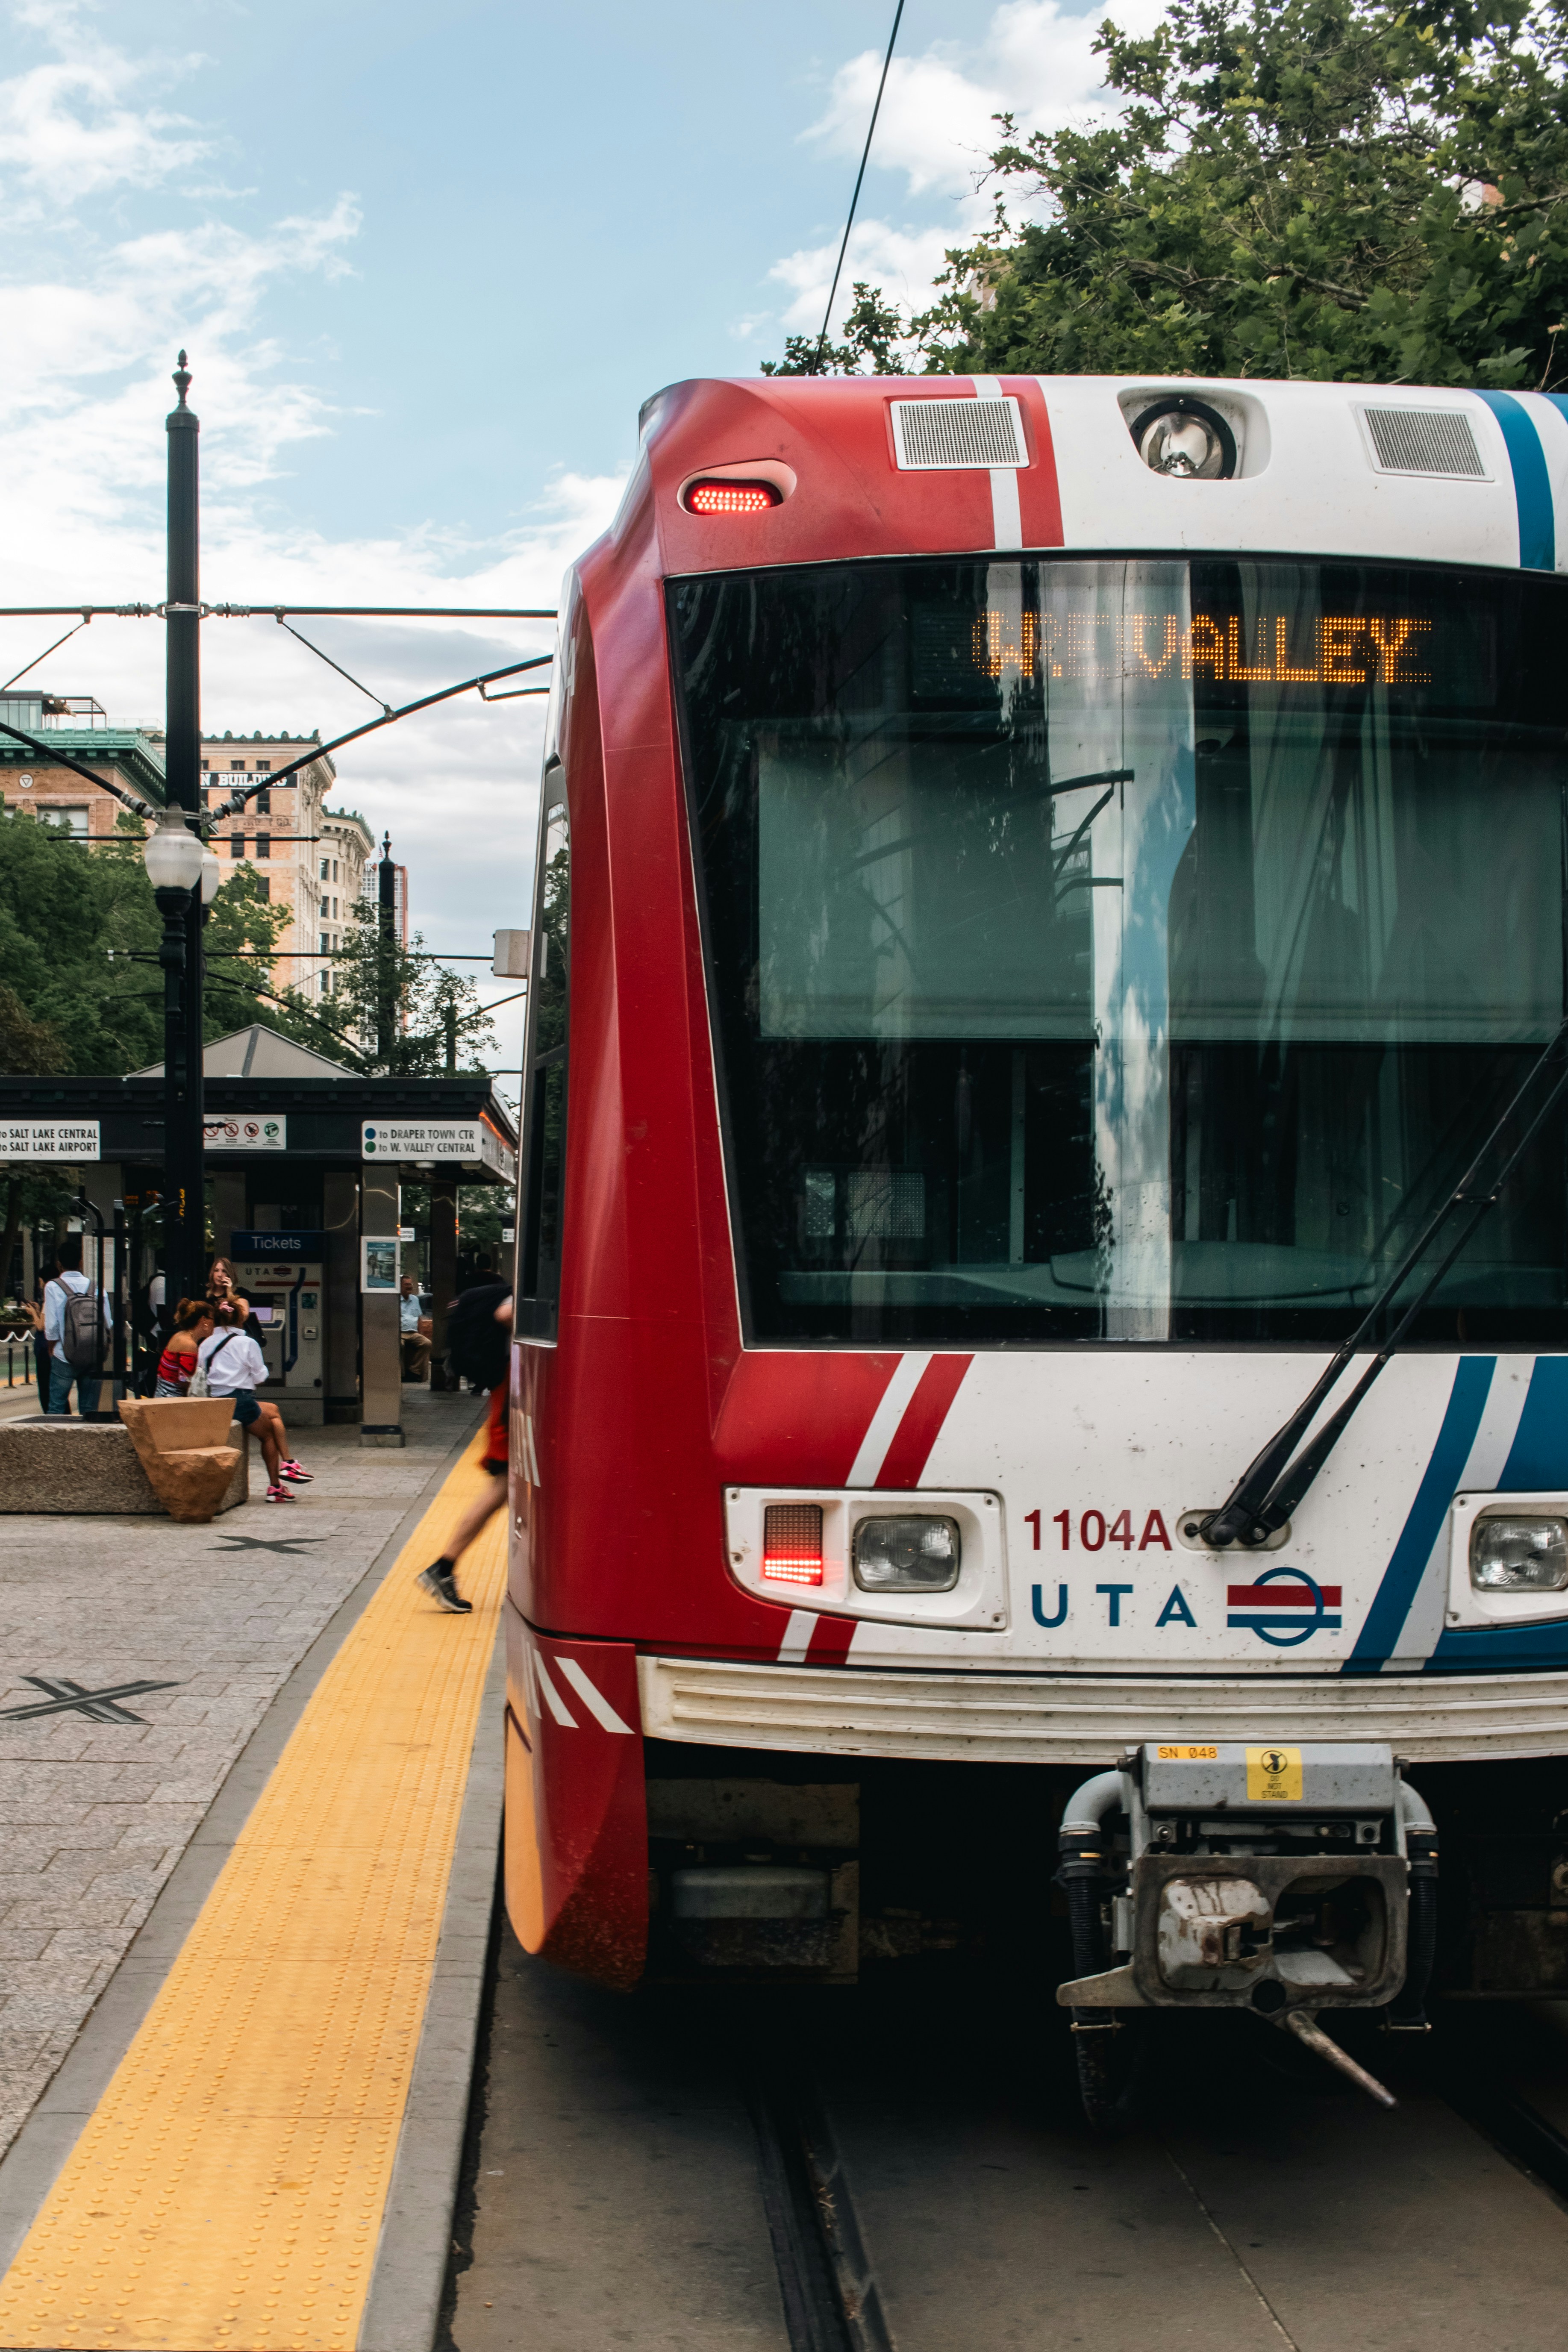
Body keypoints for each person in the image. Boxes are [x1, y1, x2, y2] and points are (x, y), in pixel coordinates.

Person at [417, 1282, 512, 1614]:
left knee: (505, 1491)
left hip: (511, 1403)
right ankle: (443, 1567)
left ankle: (444, 1567)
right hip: (511, 1409)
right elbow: (505, 1314)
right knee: (501, 1489)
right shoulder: (518, 1293)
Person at [196, 1295, 313, 1502]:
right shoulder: (247, 1343)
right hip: (240, 1400)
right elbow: (261, 1377)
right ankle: (279, 1481)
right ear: (241, 1320)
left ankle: (288, 1466)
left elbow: (202, 1370)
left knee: (273, 1410)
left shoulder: (206, 1344)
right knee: (268, 1435)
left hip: (216, 1400)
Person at [43, 1237, 112, 1417]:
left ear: (59, 1264)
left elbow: (51, 1326)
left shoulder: (53, 1287)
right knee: (88, 1411)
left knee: (56, 1408)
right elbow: (108, 1322)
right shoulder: (96, 1287)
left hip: (63, 1355)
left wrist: (52, 1349)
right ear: (81, 1262)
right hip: (93, 1355)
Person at [154, 1299, 216, 1396]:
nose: (215, 1325)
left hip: (163, 1395)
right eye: (213, 1319)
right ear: (204, 1320)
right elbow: (184, 1381)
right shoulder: (189, 1345)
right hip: (173, 1399)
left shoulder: (180, 1336)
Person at [399, 1273, 432, 1382]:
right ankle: (401, 1374)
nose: (410, 1287)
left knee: (427, 1343)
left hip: (413, 1333)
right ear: (400, 1286)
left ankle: (414, 1371)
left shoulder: (415, 1299)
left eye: (411, 1284)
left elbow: (419, 1319)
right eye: (407, 1285)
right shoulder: (396, 1300)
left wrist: (421, 1333)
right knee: (400, 1346)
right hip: (400, 1333)